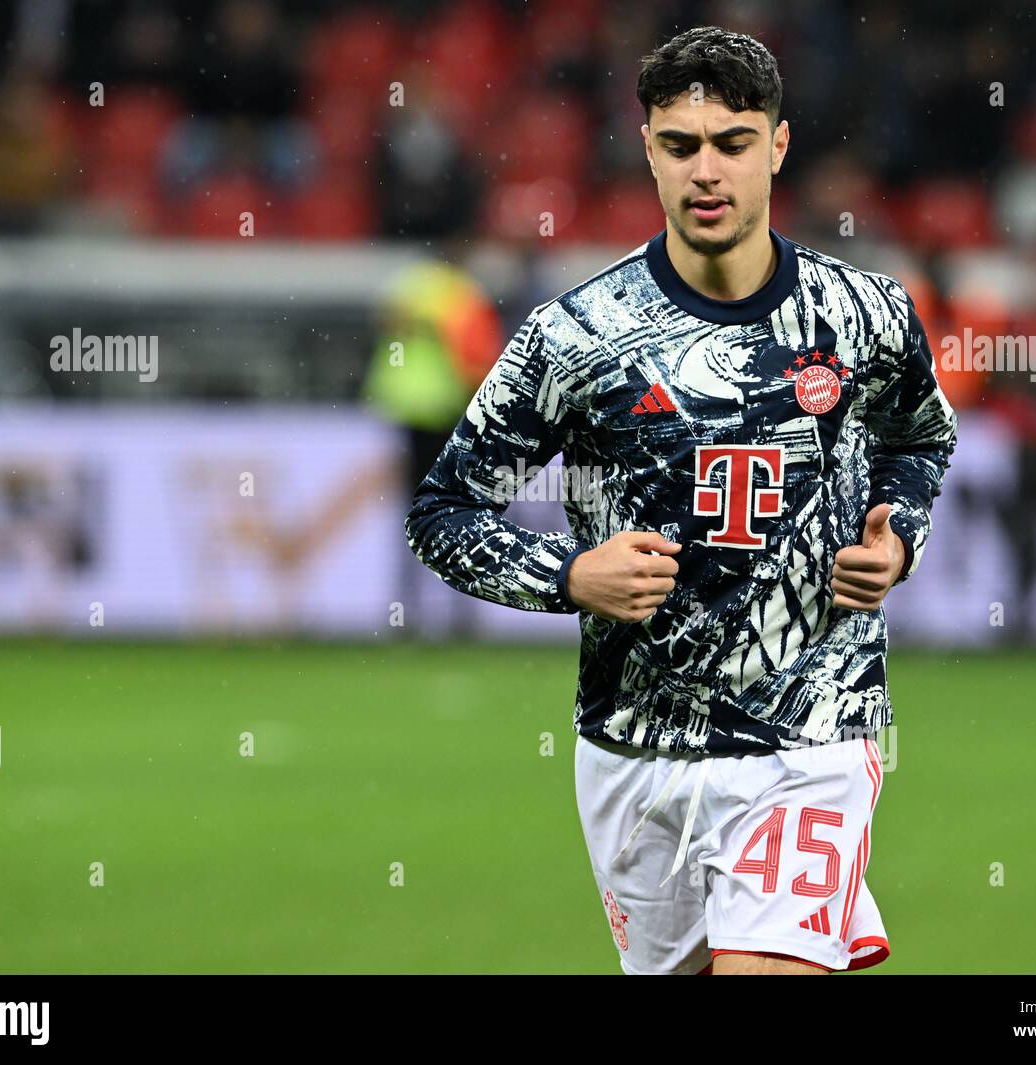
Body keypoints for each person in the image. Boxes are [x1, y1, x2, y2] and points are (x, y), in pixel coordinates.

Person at [405, 26, 957, 975]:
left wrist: (897, 534)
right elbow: (443, 512)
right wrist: (570, 573)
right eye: (681, 145)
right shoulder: (577, 336)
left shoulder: (867, 314)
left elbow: (922, 438)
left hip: (809, 731)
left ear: (777, 147)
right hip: (634, 747)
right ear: (648, 148)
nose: (708, 171)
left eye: (734, 143)